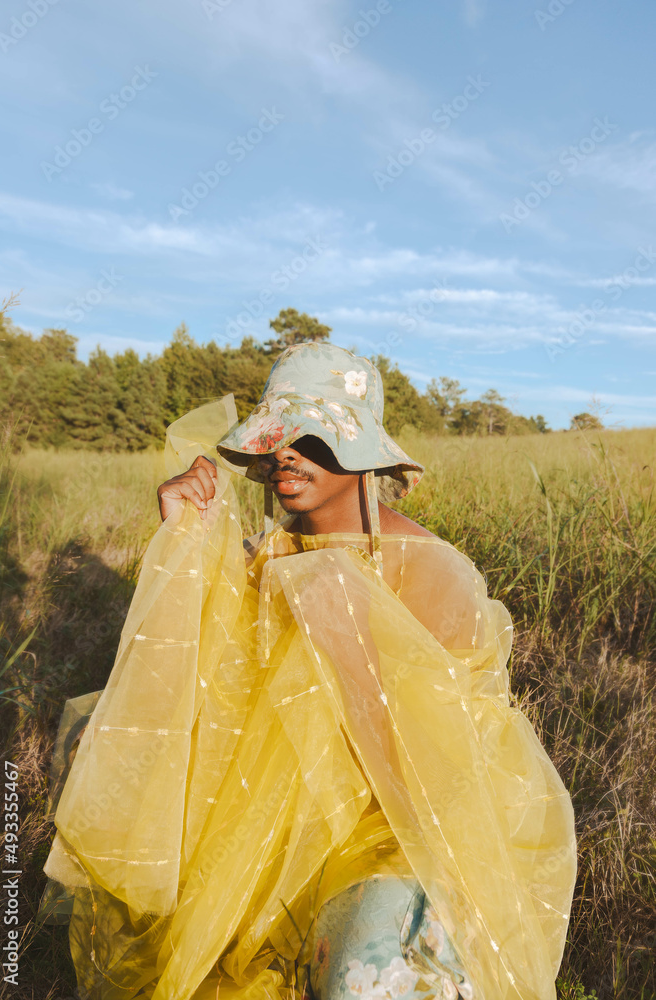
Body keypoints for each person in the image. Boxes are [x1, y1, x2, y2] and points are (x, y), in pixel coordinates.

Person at [42, 342, 576, 1000]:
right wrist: (182, 540)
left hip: (393, 828)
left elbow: (449, 759)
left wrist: (348, 633)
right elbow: (184, 695)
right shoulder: (259, 555)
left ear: (361, 453)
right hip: (262, 828)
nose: (286, 454)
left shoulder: (432, 571)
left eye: (312, 437)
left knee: (365, 971)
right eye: (276, 437)